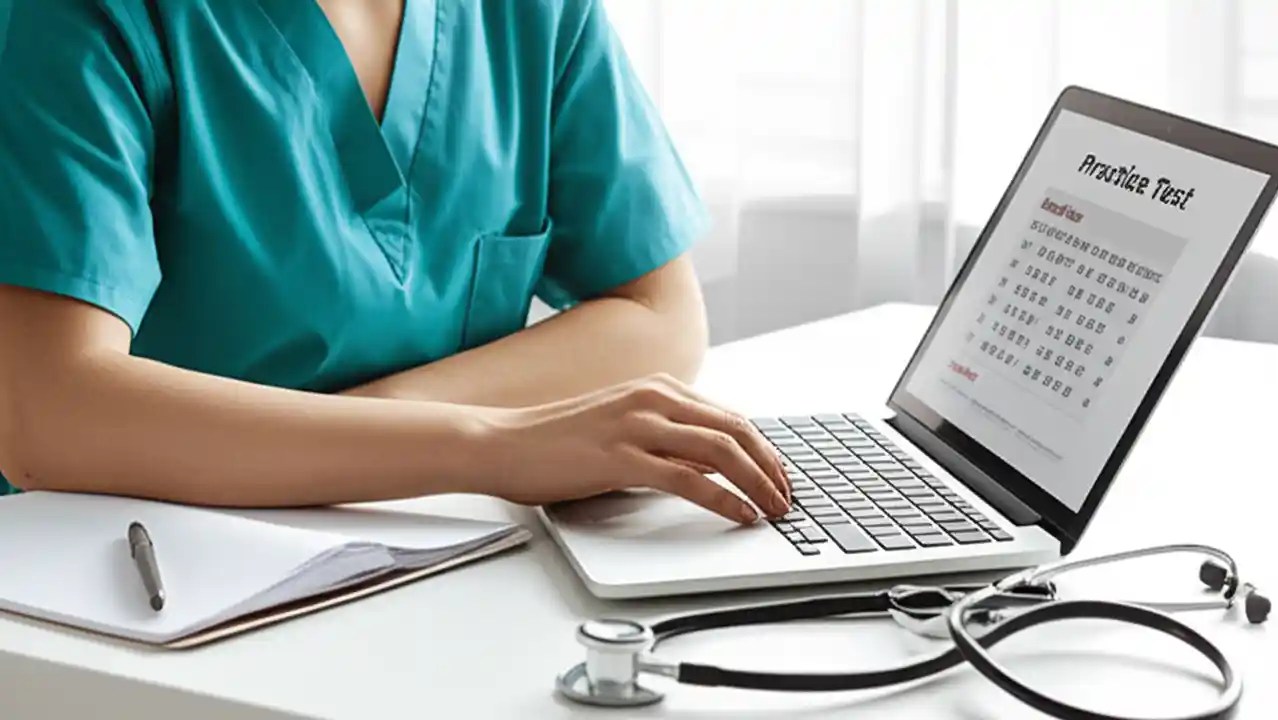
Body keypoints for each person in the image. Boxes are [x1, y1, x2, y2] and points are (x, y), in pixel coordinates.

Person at [0, 0, 791, 524]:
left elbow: (659, 318)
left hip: (414, 546)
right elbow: (47, 414)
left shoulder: (529, 16)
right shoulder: (80, 17)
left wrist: (381, 428)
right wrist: (486, 444)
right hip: (131, 571)